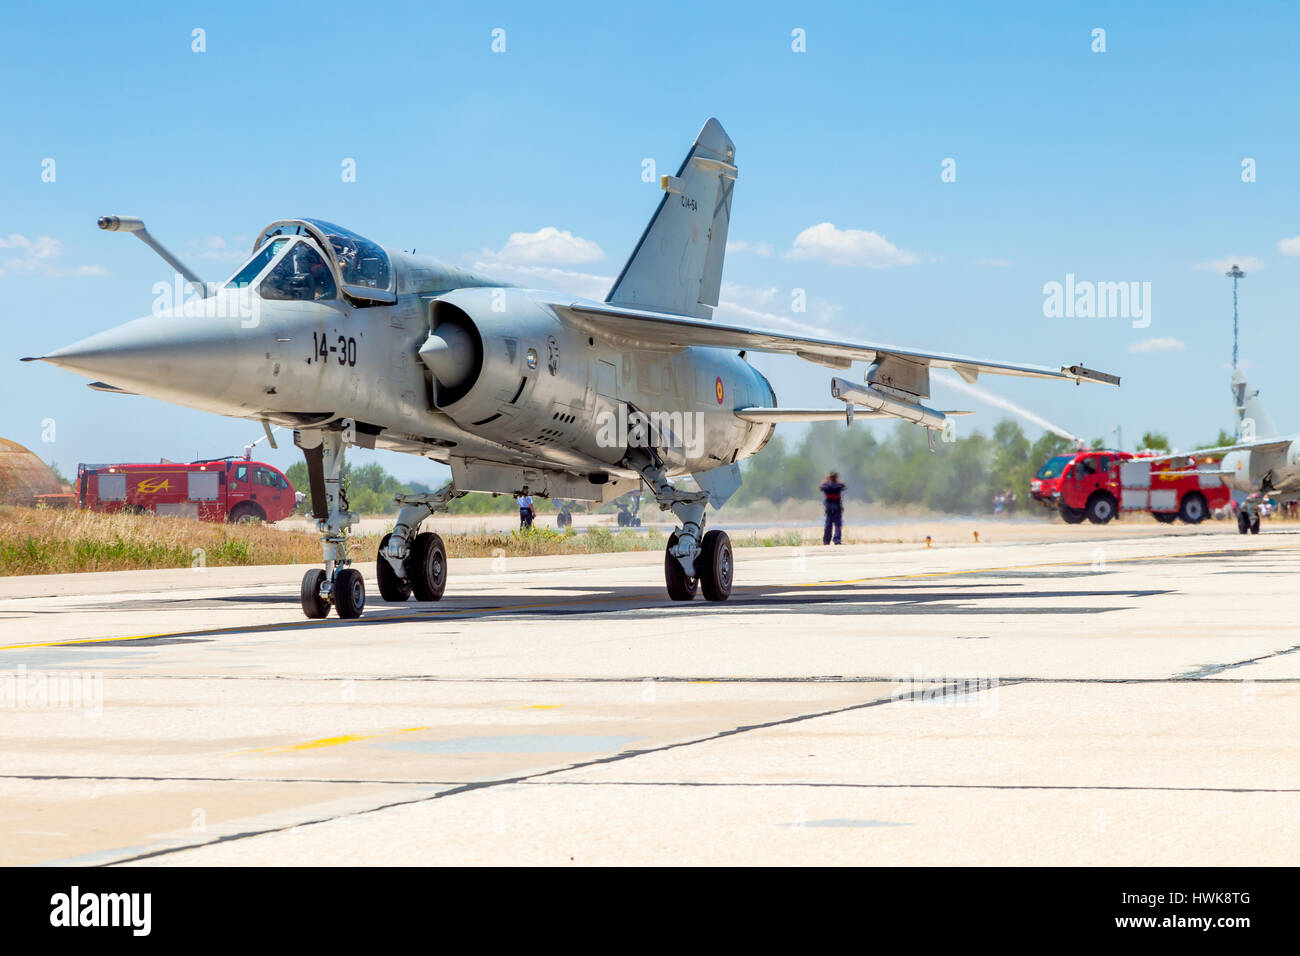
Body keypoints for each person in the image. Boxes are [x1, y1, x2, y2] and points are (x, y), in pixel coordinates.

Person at [820, 471, 845, 545]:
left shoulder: (827, 486)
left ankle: (826, 541)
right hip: (837, 508)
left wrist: (827, 480)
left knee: (828, 526)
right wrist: (836, 480)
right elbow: (843, 485)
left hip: (829, 508)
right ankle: (837, 540)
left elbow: (821, 487)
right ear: (836, 477)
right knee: (837, 525)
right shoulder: (838, 486)